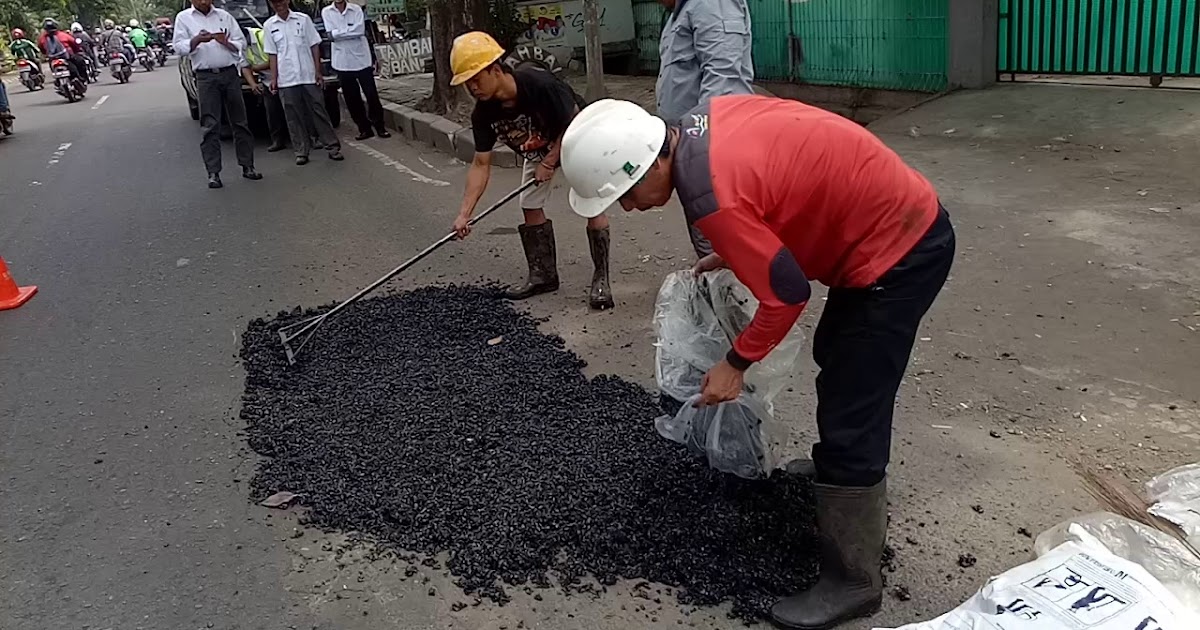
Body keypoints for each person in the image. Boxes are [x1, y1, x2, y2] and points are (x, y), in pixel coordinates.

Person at [559, 96, 955, 630]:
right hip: (888, 217)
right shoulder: (701, 125)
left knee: (853, 400)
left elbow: (787, 296)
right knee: (836, 351)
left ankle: (854, 579)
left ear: (650, 162)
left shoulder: (711, 198)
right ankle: (839, 481)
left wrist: (735, 363)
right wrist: (740, 247)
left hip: (899, 248)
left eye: (625, 194)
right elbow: (775, 181)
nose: (628, 209)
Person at [448, 31, 613, 311]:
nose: (473, 88)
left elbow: (573, 122)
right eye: (467, 83)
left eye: (476, 79)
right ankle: (543, 276)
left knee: (591, 204)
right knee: (530, 205)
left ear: (495, 70)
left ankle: (601, 280)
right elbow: (480, 164)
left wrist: (549, 162)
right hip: (539, 147)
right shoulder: (483, 113)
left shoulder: (539, 85)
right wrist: (464, 214)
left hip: (577, 138)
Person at [656, 0, 753, 261]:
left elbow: (723, 81)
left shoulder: (711, 3)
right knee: (707, 236)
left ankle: (735, 286)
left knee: (721, 242)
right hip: (691, 147)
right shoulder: (680, 13)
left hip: (708, 148)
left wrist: (698, 150)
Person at [173, 0, 262, 188]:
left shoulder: (224, 16)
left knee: (240, 122)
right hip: (205, 76)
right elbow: (179, 47)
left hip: (229, 73)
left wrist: (225, 42)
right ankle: (213, 173)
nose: (204, 1)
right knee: (210, 125)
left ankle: (248, 166)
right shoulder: (184, 18)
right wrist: (197, 40)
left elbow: (241, 43)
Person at [263, 0, 343, 164]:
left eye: (281, 1)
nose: (279, 4)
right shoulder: (269, 25)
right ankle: (301, 151)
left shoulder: (303, 19)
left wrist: (318, 71)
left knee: (319, 111)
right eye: (275, 2)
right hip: (287, 78)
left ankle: (332, 147)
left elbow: (314, 46)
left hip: (308, 75)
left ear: (288, 1)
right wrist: (274, 78)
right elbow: (272, 54)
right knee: (293, 117)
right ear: (271, 4)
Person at [322, 0, 390, 141]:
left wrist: (338, 33)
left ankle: (380, 126)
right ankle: (364, 128)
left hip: (361, 59)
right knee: (351, 98)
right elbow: (330, 35)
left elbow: (359, 31)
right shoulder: (327, 12)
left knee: (371, 95)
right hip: (342, 61)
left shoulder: (356, 10)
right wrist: (348, 32)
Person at [241, 25, 290, 152]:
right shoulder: (240, 44)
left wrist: (256, 68)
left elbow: (275, 59)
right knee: (272, 112)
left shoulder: (262, 36)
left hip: (284, 77)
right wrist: (253, 84)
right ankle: (277, 141)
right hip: (267, 81)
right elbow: (245, 66)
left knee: (293, 110)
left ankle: (309, 138)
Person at [38, 19, 89, 86]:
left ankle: (79, 79)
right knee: (80, 62)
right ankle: (83, 79)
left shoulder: (42, 38)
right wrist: (76, 51)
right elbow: (74, 44)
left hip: (53, 59)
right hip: (66, 57)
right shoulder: (63, 35)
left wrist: (46, 54)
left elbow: (41, 48)